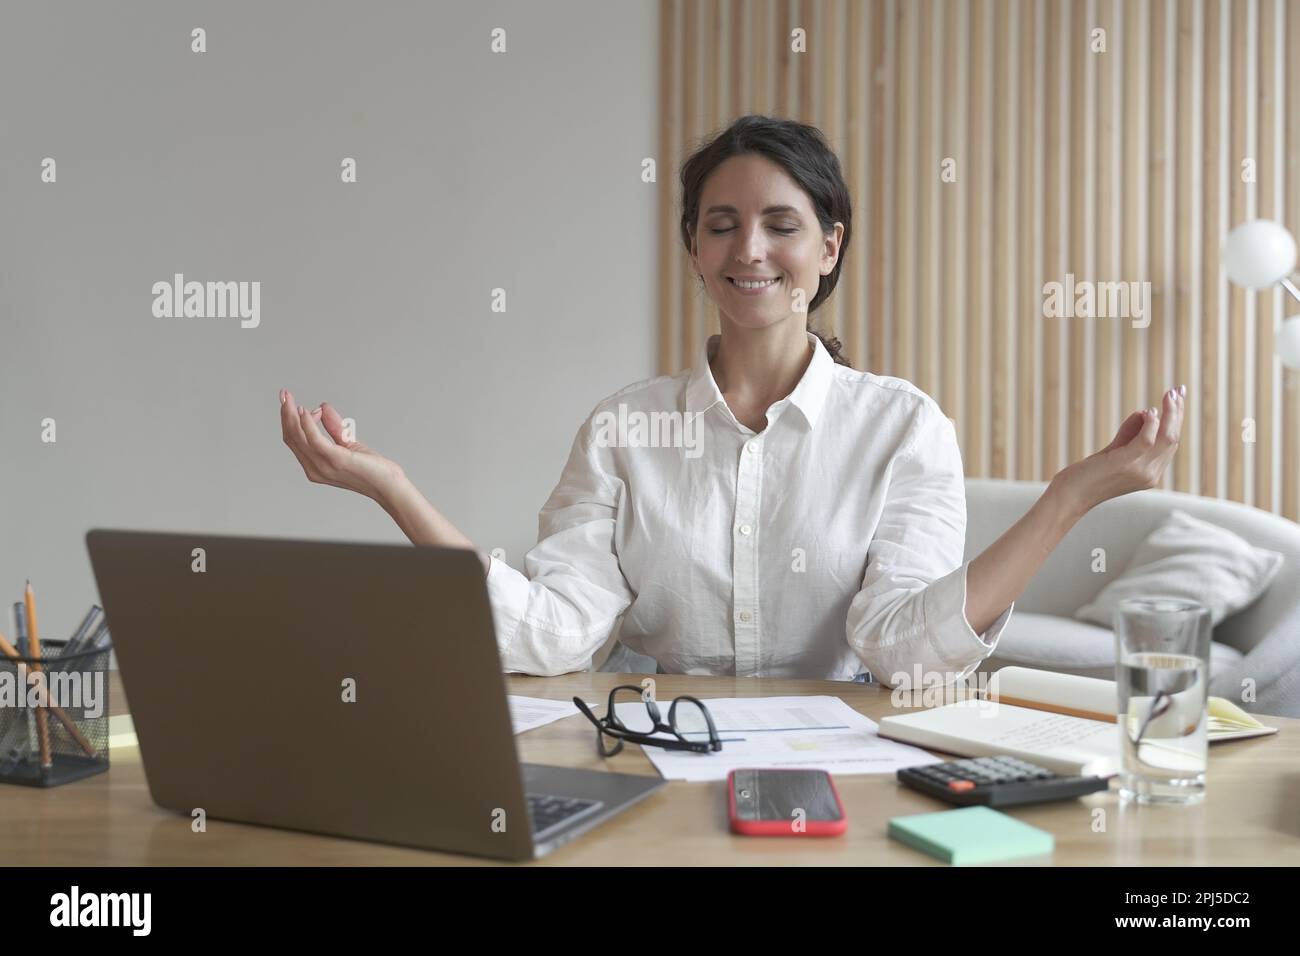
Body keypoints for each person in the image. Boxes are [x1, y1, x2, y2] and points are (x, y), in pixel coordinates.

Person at [278, 114, 1183, 685]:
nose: (750, 249)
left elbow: (905, 647)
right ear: (695, 251)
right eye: (722, 225)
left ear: (829, 248)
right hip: (656, 760)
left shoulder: (901, 426)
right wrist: (391, 488)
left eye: (781, 225)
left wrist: (1072, 495)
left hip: (847, 777)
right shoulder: (623, 430)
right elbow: (551, 635)